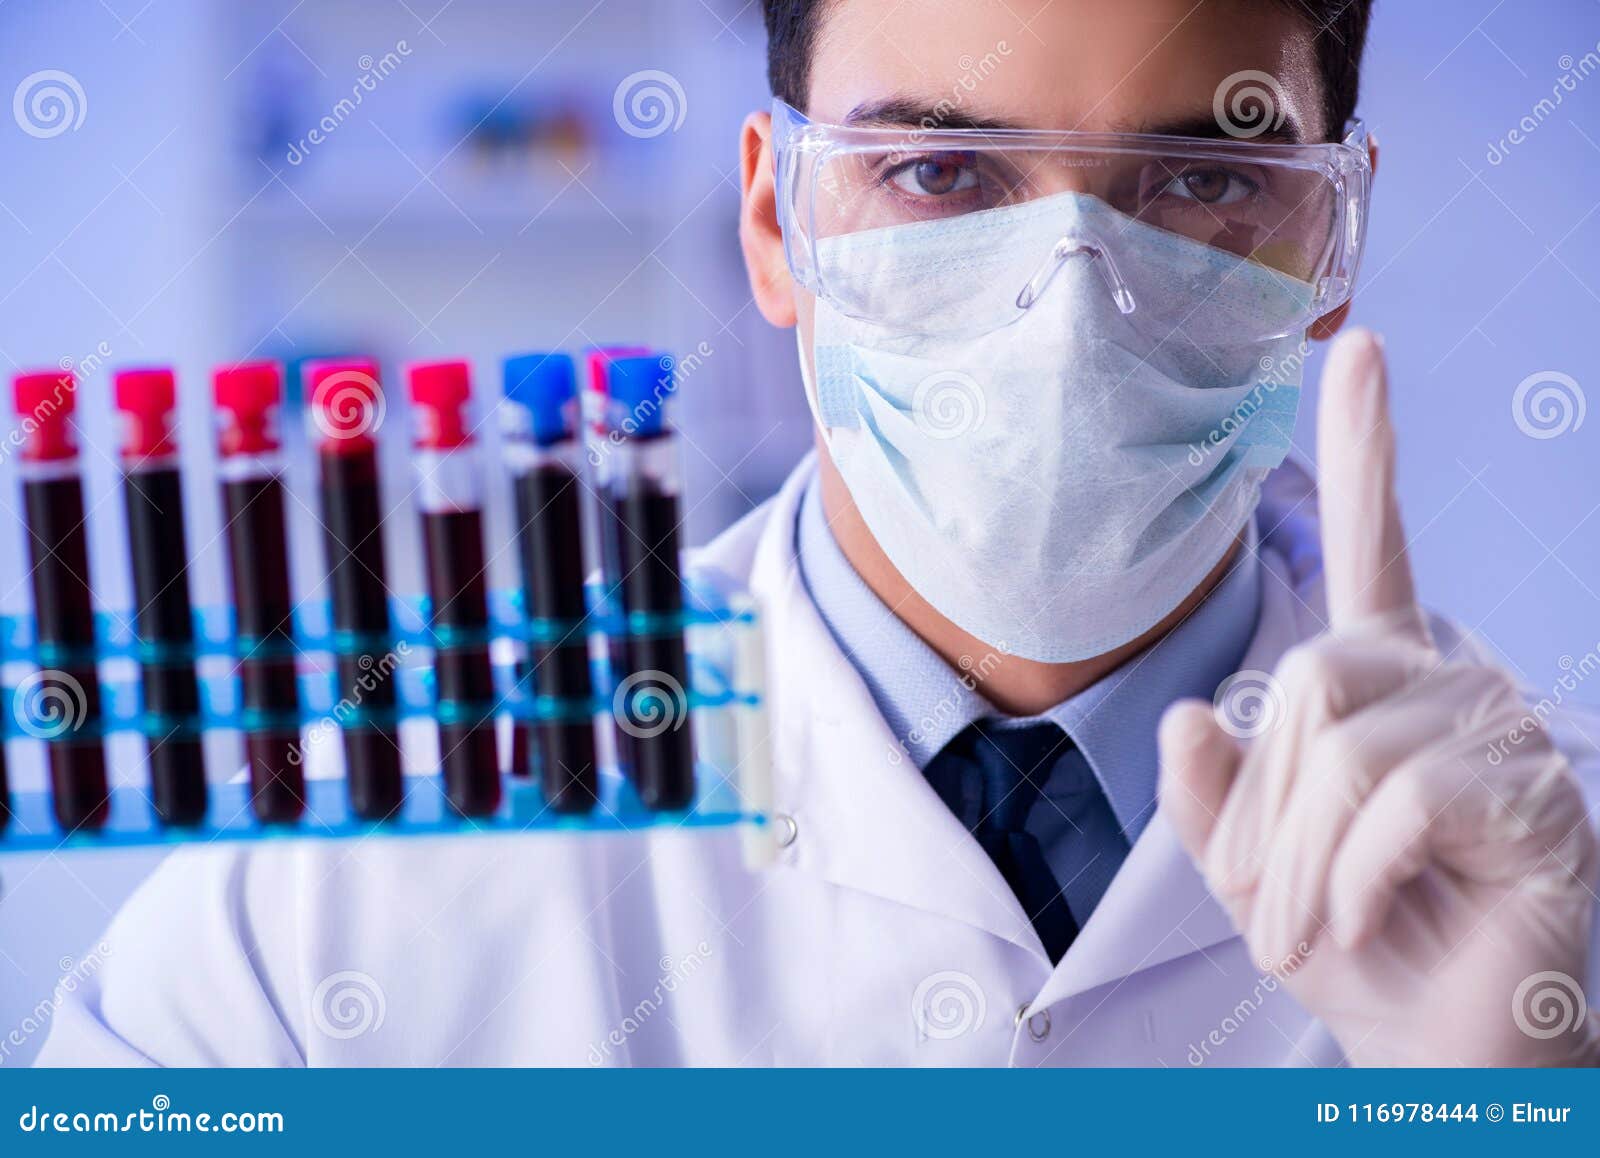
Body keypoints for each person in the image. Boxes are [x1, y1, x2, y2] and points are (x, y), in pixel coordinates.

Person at [37, 0, 1600, 1066]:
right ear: (776, 218)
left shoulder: (1552, 890)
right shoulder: (356, 874)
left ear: (1334, 234)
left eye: (1200, 177)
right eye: (940, 170)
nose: (1064, 310)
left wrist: (1528, 1105)